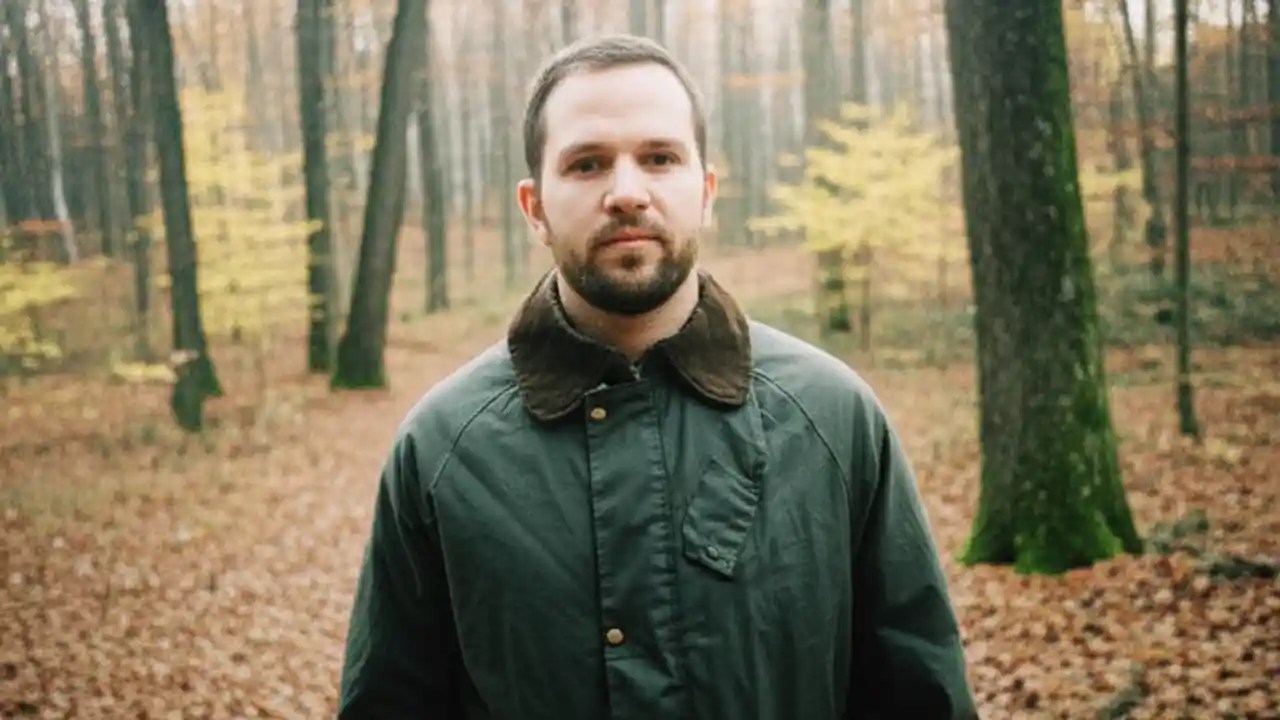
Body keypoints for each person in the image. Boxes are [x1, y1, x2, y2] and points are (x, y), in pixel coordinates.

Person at [337, 33, 975, 720]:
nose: (627, 193)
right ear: (535, 207)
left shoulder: (834, 420)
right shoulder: (442, 452)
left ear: (705, 192)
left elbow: (919, 697)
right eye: (586, 165)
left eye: (659, 158)